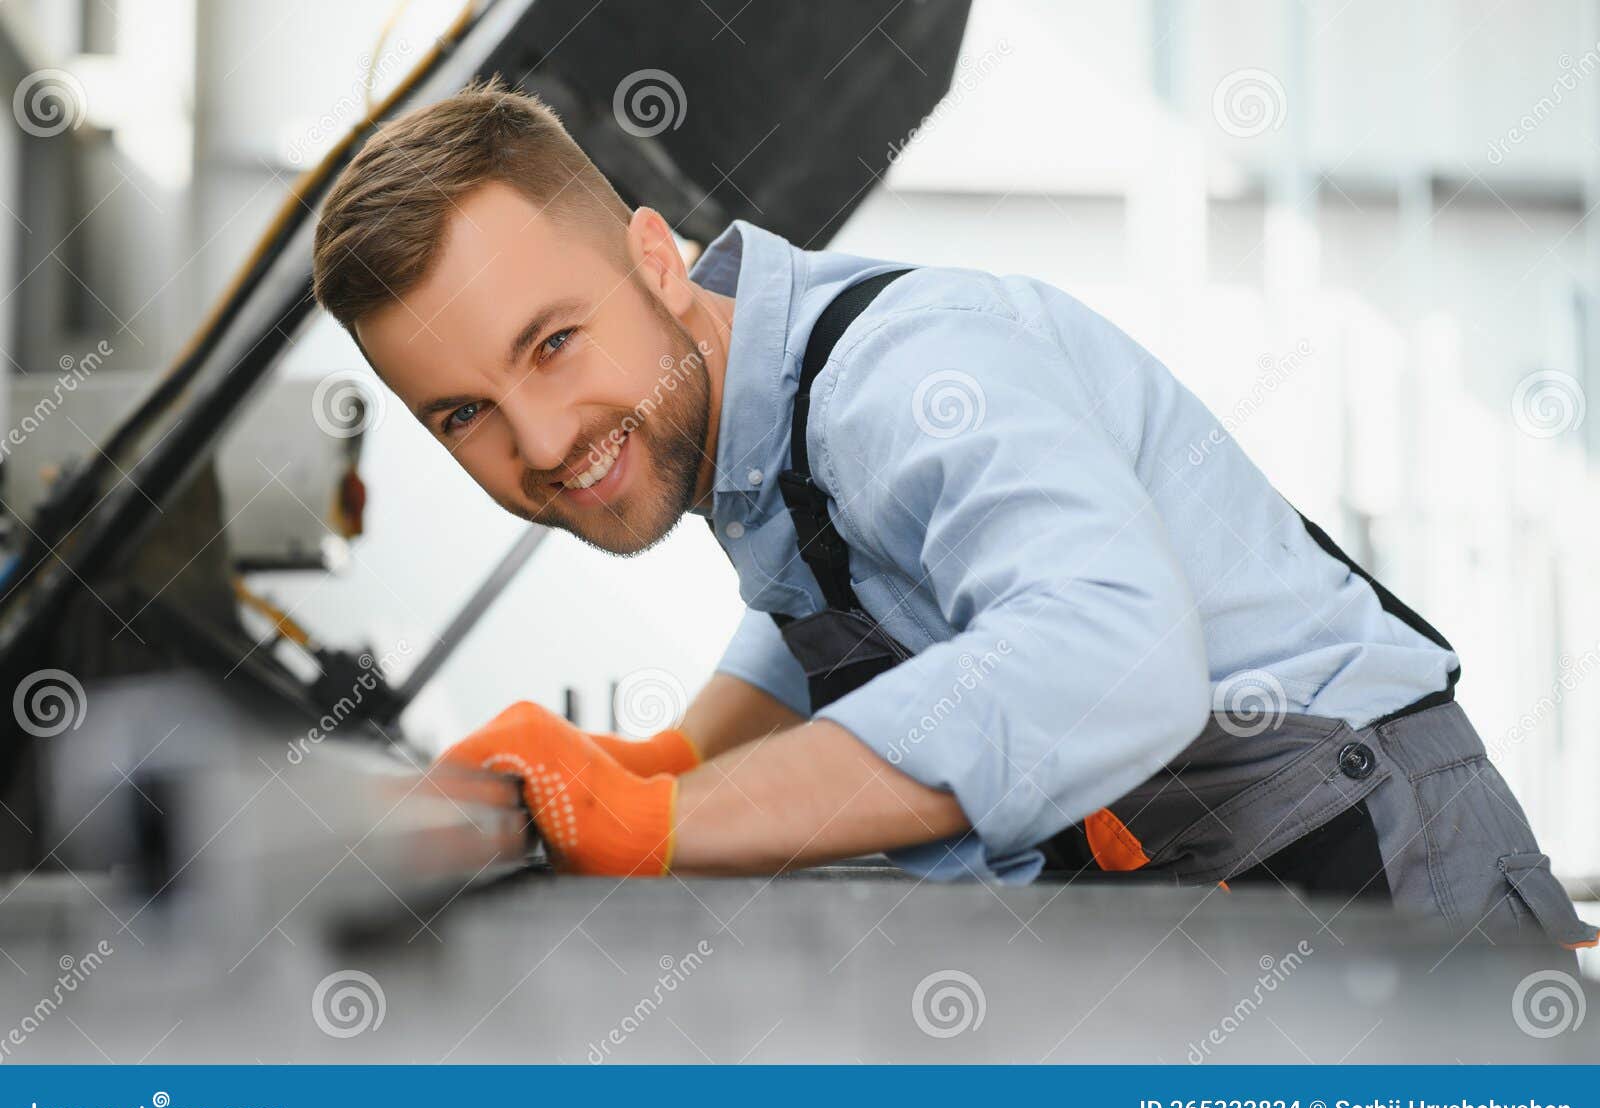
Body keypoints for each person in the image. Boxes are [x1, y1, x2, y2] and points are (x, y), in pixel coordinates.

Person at [310, 81, 1594, 948]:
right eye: (462, 414)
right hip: (1233, 886)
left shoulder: (901, 373)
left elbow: (1109, 657)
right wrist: (675, 759)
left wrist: (665, 824)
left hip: (1377, 860)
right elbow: (849, 590)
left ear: (656, 257)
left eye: (553, 342)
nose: (541, 443)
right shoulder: (767, 417)